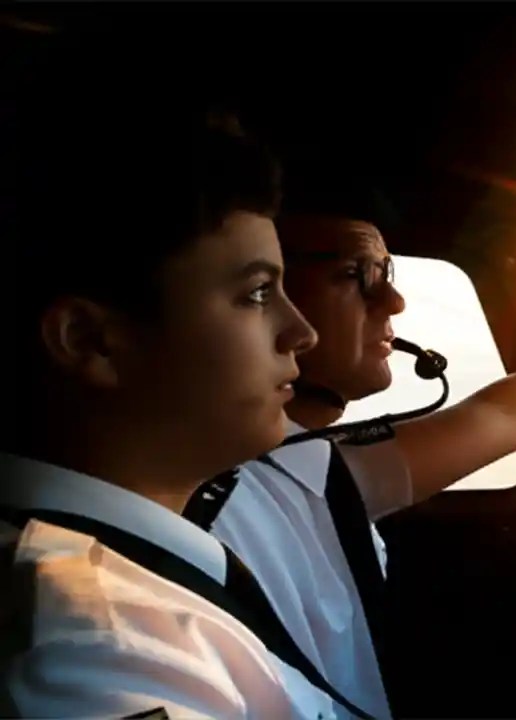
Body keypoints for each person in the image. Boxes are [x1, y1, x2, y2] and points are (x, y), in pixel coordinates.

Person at [189, 179, 516, 717]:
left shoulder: (311, 465)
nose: (394, 301)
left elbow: (505, 414)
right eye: (359, 274)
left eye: (388, 274)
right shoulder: (210, 505)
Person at [0, 67, 371, 718]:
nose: (302, 333)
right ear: (91, 341)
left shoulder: (140, 573)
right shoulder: (95, 649)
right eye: (257, 293)